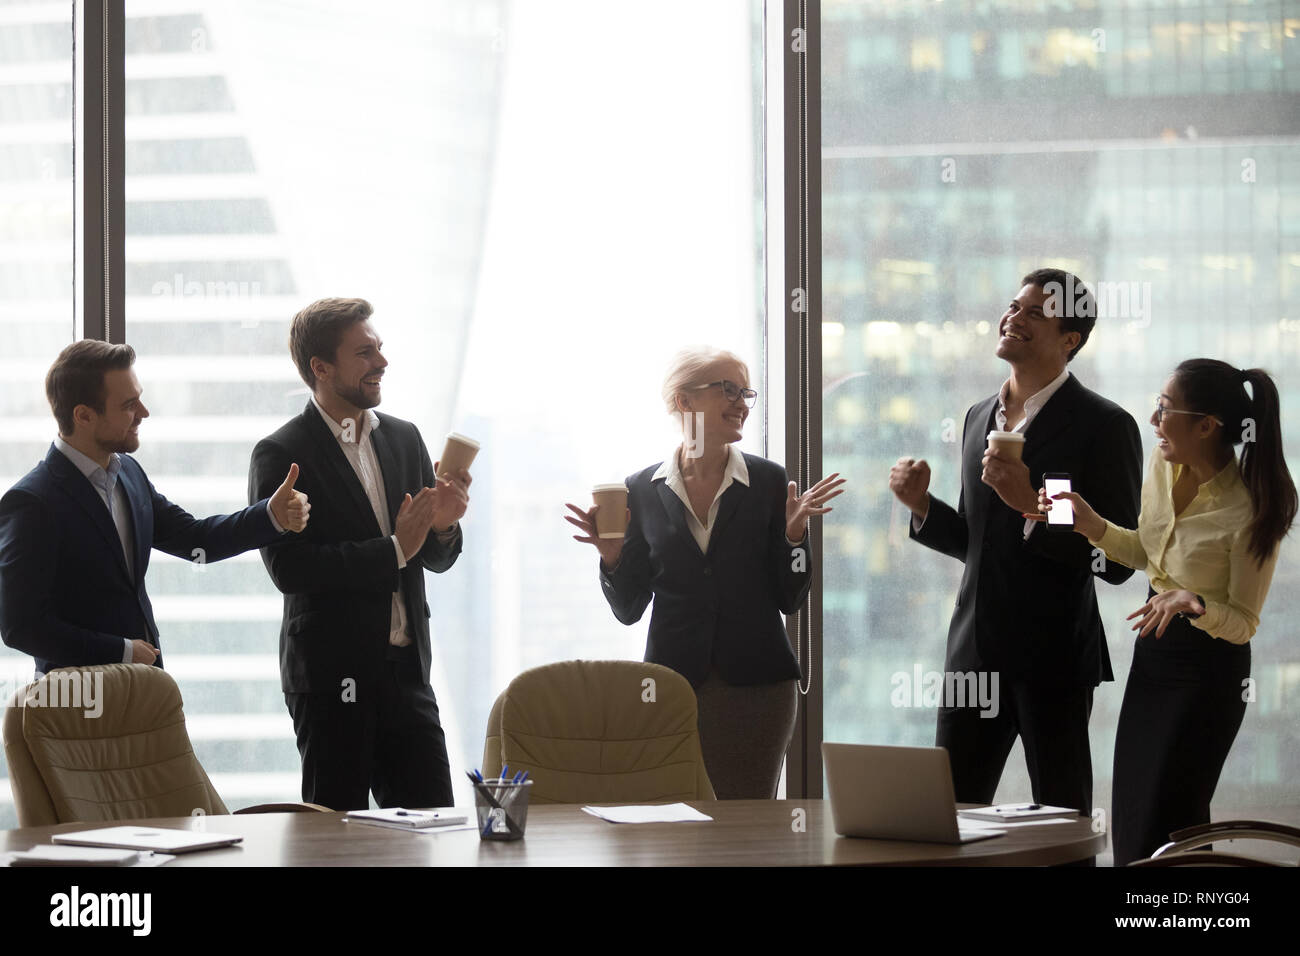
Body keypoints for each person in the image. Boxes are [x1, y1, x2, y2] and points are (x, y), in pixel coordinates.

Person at [889, 269, 1143, 818]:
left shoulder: (1105, 425)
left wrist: (1033, 503)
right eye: (1013, 306)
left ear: (1069, 339)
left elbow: (1118, 562)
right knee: (947, 820)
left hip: (1052, 657)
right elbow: (979, 543)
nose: (1013, 318)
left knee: (1063, 821)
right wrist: (922, 507)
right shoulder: (979, 416)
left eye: (1034, 313)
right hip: (972, 654)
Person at [1035, 360, 1295, 864]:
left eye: (1165, 408)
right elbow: (1144, 554)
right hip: (1154, 657)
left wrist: (1192, 602)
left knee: (1171, 818)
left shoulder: (1250, 508)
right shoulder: (1162, 467)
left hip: (1208, 674)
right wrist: (1090, 523)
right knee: (1135, 813)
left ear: (1206, 425)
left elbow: (1243, 623)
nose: (1154, 419)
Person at [565, 347, 844, 798]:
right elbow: (629, 608)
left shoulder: (770, 481)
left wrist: (793, 538)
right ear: (684, 401)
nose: (741, 403)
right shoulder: (639, 489)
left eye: (746, 393)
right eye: (728, 390)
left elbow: (789, 597)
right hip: (669, 687)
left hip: (757, 688)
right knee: (675, 824)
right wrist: (613, 558)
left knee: (744, 824)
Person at [249, 297, 469, 811]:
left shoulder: (405, 438)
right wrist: (392, 550)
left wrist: (445, 526)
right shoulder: (281, 453)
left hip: (407, 674)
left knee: (430, 832)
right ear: (320, 368)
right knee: (334, 843)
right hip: (332, 682)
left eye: (380, 348)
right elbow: (290, 569)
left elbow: (432, 558)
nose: (382, 363)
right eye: (365, 352)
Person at [0, 340, 308, 677]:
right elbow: (20, 626)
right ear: (84, 416)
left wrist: (270, 517)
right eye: (130, 404)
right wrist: (121, 650)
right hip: (79, 704)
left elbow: (195, 541)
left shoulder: (129, 474)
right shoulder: (32, 503)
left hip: (145, 688)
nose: (144, 413)